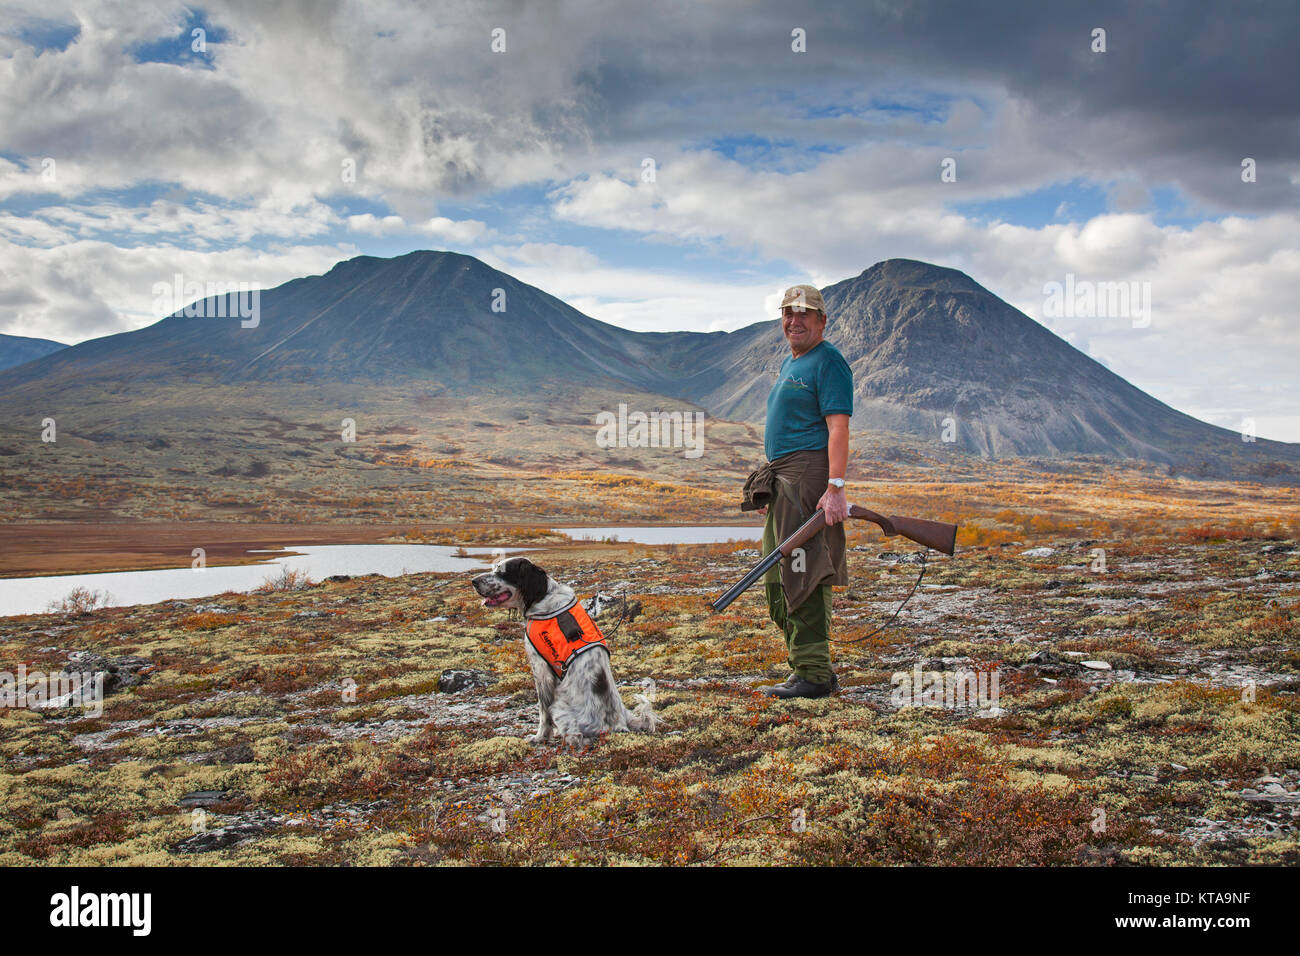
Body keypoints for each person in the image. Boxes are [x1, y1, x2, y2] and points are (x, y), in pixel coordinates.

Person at [740, 284, 853, 699]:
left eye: (805, 313)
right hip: (784, 482)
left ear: (823, 320)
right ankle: (805, 664)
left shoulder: (829, 362)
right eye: (789, 313)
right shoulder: (794, 363)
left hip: (807, 481)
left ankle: (814, 673)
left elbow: (838, 427)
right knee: (777, 573)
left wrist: (835, 487)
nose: (795, 320)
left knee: (802, 570)